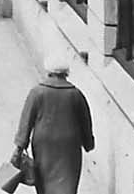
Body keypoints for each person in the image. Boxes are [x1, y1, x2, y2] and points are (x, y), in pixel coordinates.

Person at [13, 54, 94, 194]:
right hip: (69, 147)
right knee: (67, 182)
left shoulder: (37, 92)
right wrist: (88, 143)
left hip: (44, 145)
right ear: (66, 73)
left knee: (44, 181)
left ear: (48, 71)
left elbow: (26, 120)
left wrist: (20, 145)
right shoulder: (75, 94)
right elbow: (85, 121)